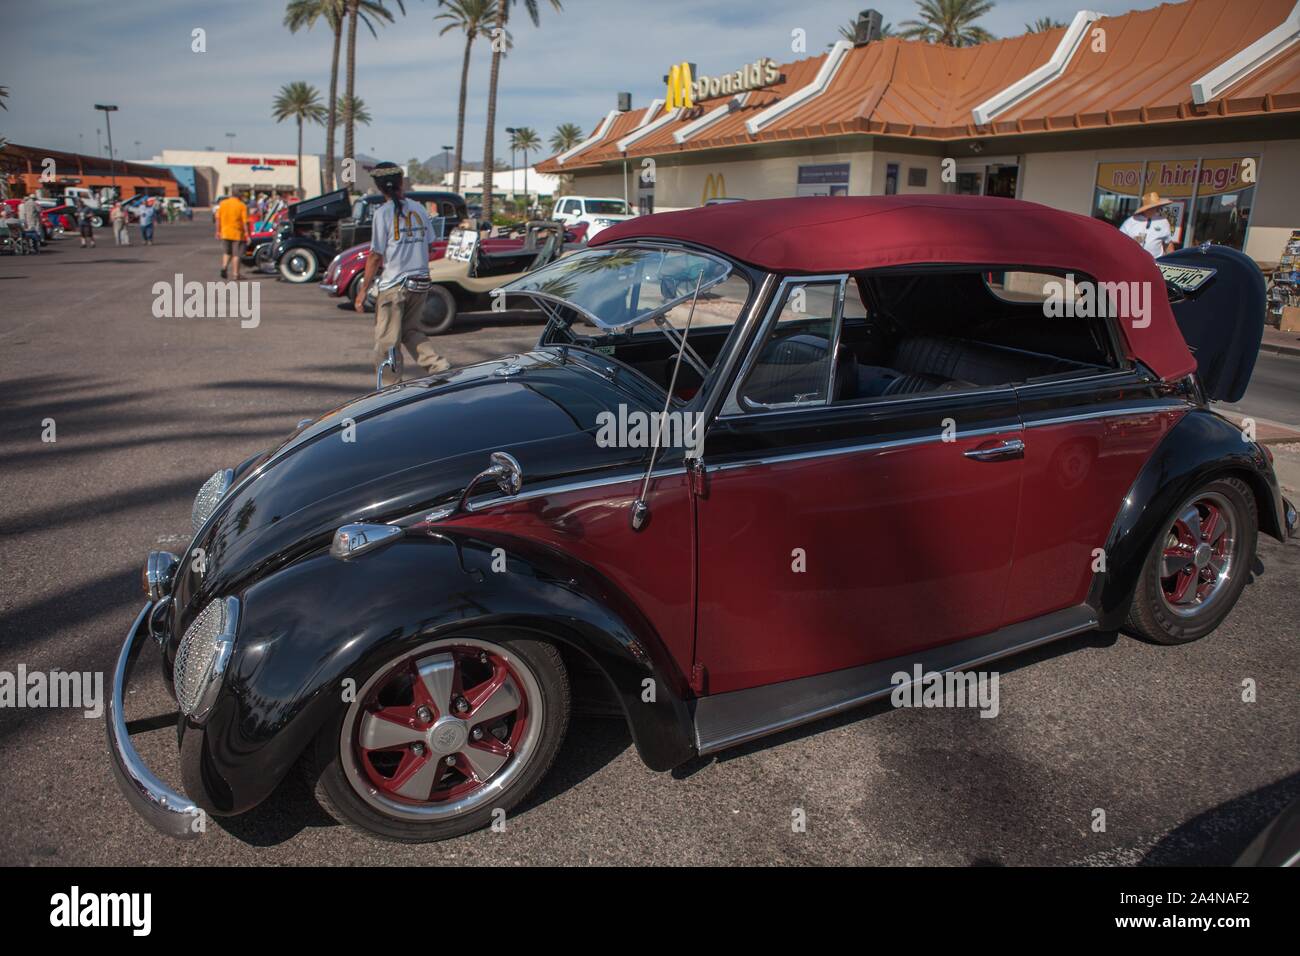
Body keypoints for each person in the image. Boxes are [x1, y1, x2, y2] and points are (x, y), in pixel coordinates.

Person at [355, 161, 450, 383]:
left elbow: (375, 256)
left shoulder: (383, 214)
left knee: (386, 340)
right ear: (401, 183)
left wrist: (362, 291)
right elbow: (429, 246)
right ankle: (440, 367)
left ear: (380, 188)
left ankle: (389, 388)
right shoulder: (419, 209)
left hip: (395, 287)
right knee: (410, 331)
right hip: (420, 282)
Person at [1120, 191, 1174, 258]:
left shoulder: (1163, 221)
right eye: (1153, 207)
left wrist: (1171, 261)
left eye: (1157, 206)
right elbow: (1119, 241)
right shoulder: (1131, 221)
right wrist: (1132, 241)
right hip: (1132, 259)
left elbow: (1168, 243)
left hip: (1155, 262)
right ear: (1146, 208)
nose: (1157, 209)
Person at [215, 189, 250, 279]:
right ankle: (236, 274)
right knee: (236, 255)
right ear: (240, 196)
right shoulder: (242, 206)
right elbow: (245, 222)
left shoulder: (223, 204)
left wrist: (218, 231)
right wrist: (247, 234)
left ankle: (224, 267)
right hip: (237, 233)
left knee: (227, 252)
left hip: (225, 232)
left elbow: (218, 219)